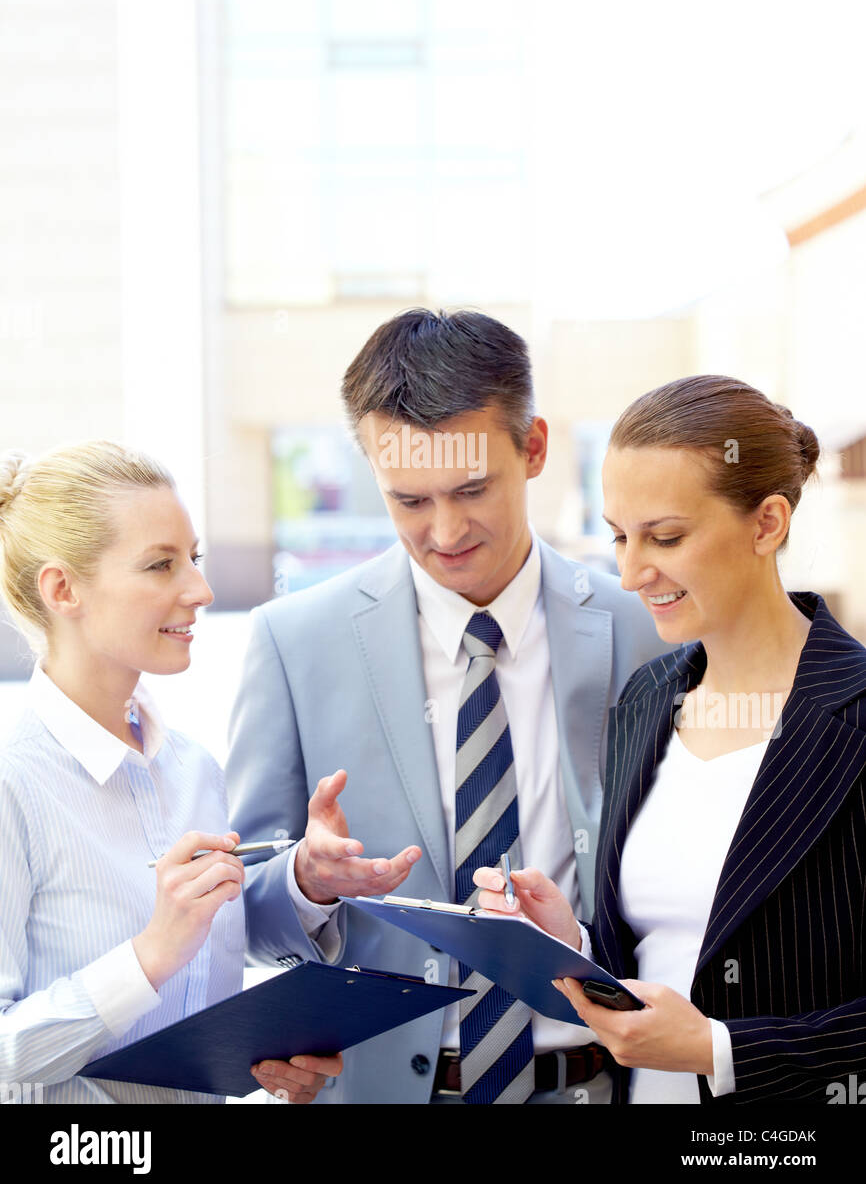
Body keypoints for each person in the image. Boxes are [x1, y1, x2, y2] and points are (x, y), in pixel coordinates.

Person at [226, 308, 667, 1104]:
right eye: (409, 501)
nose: (446, 530)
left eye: (471, 489)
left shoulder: (646, 630)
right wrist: (304, 880)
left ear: (533, 449)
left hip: (598, 1086)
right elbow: (245, 914)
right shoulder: (294, 643)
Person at [475, 373, 866, 1104]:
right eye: (620, 537)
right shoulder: (646, 704)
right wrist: (577, 944)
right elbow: (656, 960)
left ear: (767, 523)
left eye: (666, 537)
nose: (629, 573)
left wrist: (721, 1050)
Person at [0, 441, 341, 1104]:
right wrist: (150, 953)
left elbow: (197, 986)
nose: (201, 591)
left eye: (195, 558)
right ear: (62, 588)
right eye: (161, 565)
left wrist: (262, 1063)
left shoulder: (192, 768)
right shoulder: (12, 781)